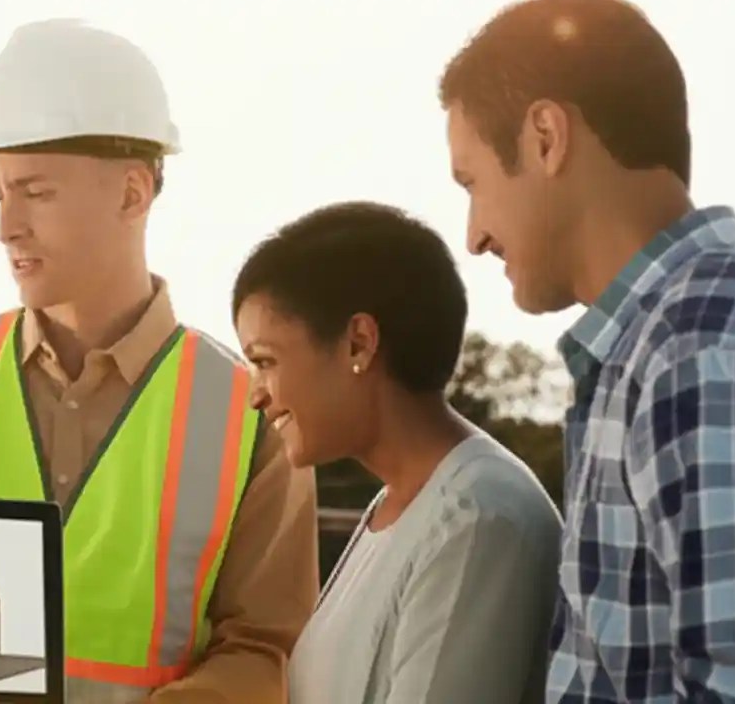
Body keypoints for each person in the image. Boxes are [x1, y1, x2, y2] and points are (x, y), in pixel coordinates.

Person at [0, 18, 320, 703]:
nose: (5, 226)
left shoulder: (252, 414)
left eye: (34, 191)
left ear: (132, 193)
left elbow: (269, 655)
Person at [439, 0, 735, 703]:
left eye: (473, 182)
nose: (473, 235)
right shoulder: (657, 349)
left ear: (546, 138)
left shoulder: (703, 350)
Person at [231, 200, 562, 704]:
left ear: (359, 344)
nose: (256, 394)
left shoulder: (477, 520)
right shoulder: (398, 508)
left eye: (265, 360)